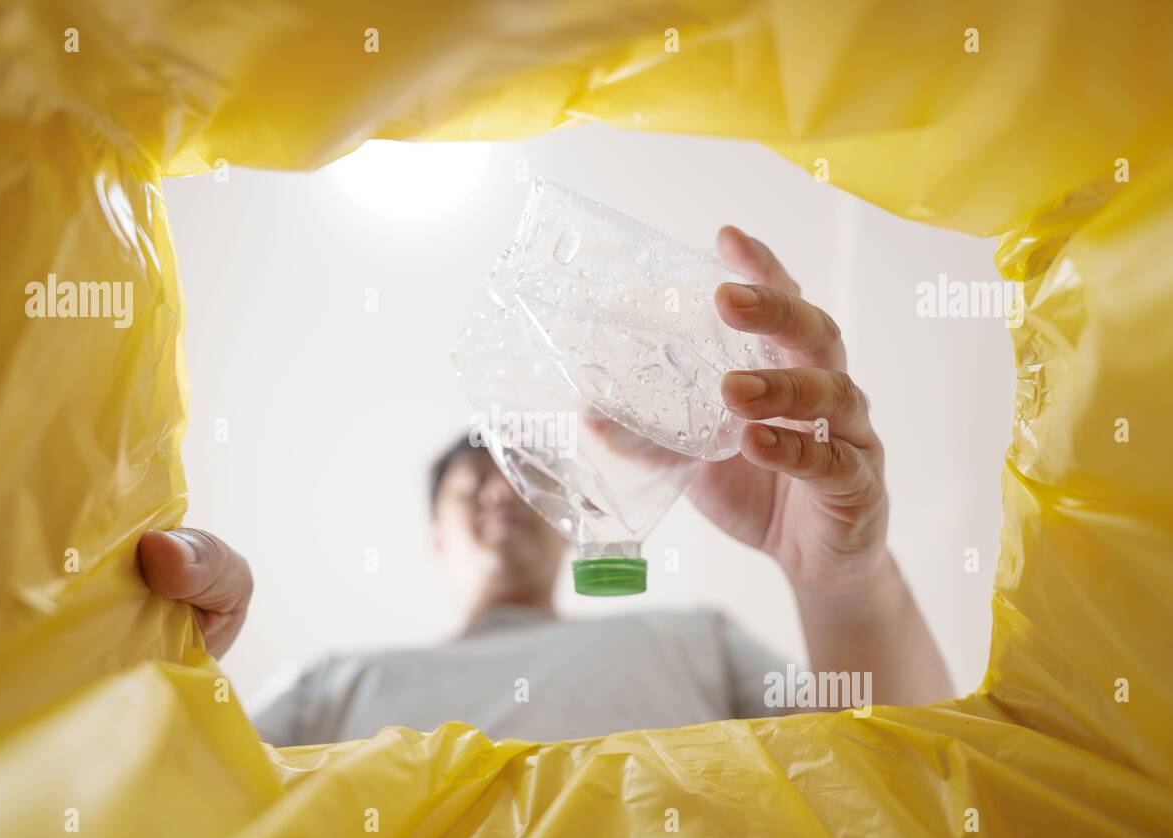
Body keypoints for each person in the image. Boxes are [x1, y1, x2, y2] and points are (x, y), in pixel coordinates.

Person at [137, 226, 954, 745]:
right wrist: (151, 680)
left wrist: (840, 579)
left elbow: (900, 794)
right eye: (471, 485)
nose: (500, 493)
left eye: (525, 481)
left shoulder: (692, 641)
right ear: (434, 538)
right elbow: (179, 831)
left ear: (572, 521)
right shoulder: (331, 684)